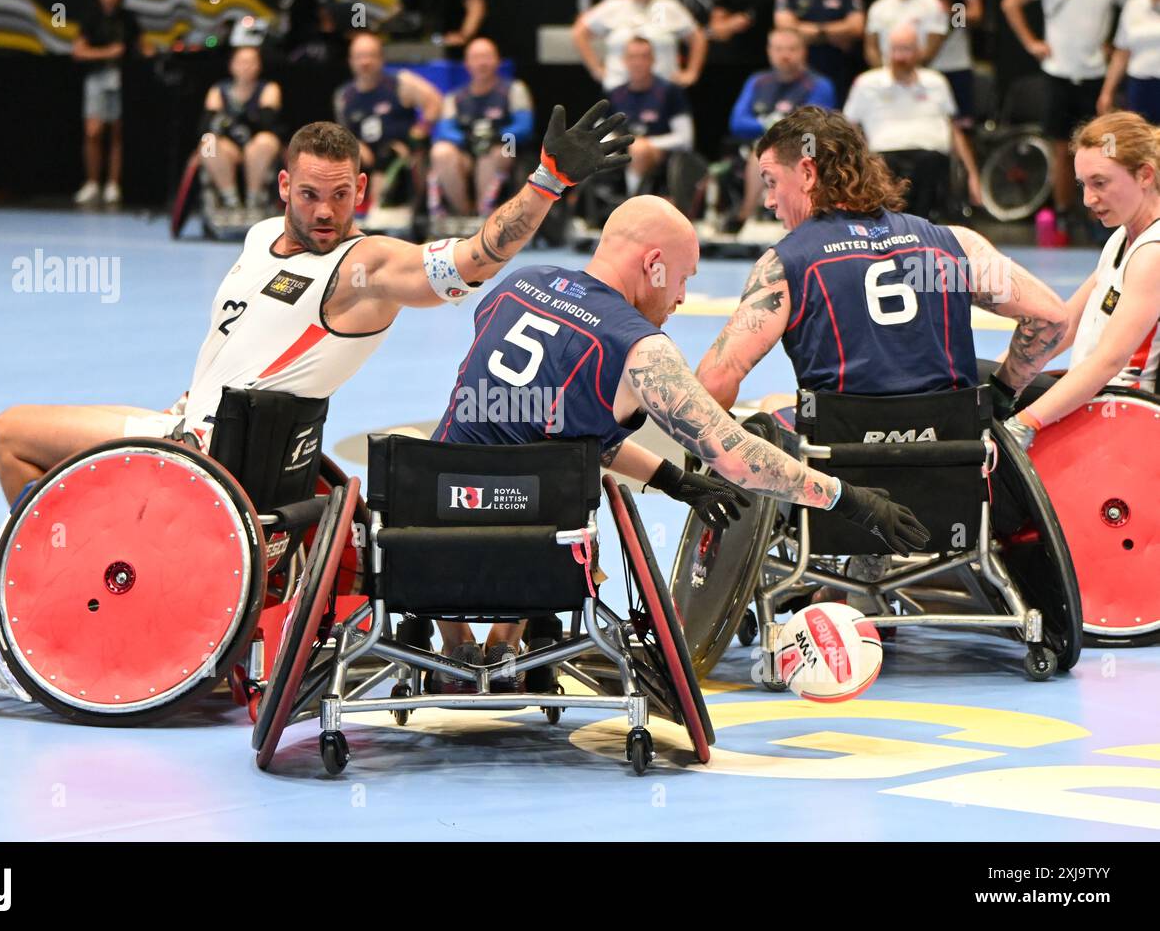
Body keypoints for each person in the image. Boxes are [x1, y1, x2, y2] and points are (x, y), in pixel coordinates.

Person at [0, 103, 632, 506]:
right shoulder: (261, 234)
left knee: (10, 433)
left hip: (206, 455)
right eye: (312, 195)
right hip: (189, 423)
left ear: (363, 190)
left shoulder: (363, 267)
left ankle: (67, 571)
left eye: (343, 195)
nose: (326, 212)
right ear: (284, 186)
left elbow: (474, 260)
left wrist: (547, 181)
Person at [426, 194, 930, 687]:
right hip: (538, 553)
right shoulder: (639, 346)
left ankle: (456, 646)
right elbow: (736, 456)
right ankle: (505, 644)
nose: (683, 296)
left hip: (432, 535)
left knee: (499, 465)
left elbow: (551, 429)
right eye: (684, 276)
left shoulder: (517, 286)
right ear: (653, 264)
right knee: (556, 497)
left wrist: (673, 479)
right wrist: (846, 499)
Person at [694, 106, 1068, 615]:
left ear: (806, 172)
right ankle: (862, 582)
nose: (767, 200)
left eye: (770, 181)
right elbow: (1050, 318)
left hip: (841, 487)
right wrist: (1002, 393)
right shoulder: (953, 245)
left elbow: (714, 381)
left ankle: (843, 581)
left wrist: (709, 469)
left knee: (771, 418)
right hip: (949, 469)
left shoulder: (787, 263)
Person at [997, 112, 1160, 450]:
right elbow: (1065, 325)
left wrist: (1026, 422)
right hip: (1098, 396)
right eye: (1083, 185)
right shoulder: (1122, 237)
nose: (1088, 199)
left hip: (1123, 411)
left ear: (1145, 175)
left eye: (1100, 183)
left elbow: (1109, 362)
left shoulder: (1152, 254)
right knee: (981, 382)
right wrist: (998, 373)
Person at [1002, 0, 1133, 244]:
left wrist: (1117, 44)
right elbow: (1010, 2)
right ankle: (1064, 214)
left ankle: (1100, 217)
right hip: (1058, 75)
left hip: (1096, 76)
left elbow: (1136, 4)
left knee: (1104, 153)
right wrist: (1031, 43)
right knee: (1062, 150)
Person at [843, 23, 982, 217]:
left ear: (919, 51)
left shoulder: (937, 82)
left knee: (931, 166)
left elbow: (954, 131)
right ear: (886, 52)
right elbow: (849, 130)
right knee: (881, 170)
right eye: (896, 49)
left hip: (931, 159)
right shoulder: (867, 83)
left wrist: (973, 176)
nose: (900, 57)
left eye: (906, 49)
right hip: (884, 157)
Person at [726, 27, 836, 231]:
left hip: (808, 145)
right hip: (761, 144)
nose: (784, 55)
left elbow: (813, 126)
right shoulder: (757, 81)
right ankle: (748, 214)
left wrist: (776, 126)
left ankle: (749, 215)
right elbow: (737, 122)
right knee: (760, 152)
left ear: (803, 51)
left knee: (793, 152)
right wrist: (767, 124)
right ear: (769, 51)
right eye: (778, 49)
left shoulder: (819, 85)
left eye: (791, 49)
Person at [333, 32, 442, 210]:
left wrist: (420, 130)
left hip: (401, 152)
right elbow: (343, 132)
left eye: (370, 56)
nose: (365, 62)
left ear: (381, 58)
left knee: (388, 155)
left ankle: (379, 212)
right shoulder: (344, 96)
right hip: (366, 153)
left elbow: (435, 102)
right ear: (350, 61)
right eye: (359, 57)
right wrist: (355, 146)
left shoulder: (401, 83)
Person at [428, 37, 534, 218]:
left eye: (487, 57)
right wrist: (465, 138)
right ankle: (462, 214)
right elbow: (444, 130)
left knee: (497, 153)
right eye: (476, 58)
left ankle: (484, 214)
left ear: (498, 60)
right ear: (467, 63)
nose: (482, 63)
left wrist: (497, 135)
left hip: (504, 145)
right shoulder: (455, 97)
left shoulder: (514, 90)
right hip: (467, 149)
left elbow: (525, 126)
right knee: (441, 152)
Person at [72, 0, 143, 207]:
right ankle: (92, 183)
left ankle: (113, 184)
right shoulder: (91, 18)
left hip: (123, 79)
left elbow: (143, 47)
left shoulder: (129, 19)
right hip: (96, 78)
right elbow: (79, 52)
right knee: (93, 131)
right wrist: (108, 52)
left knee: (117, 133)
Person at [573, 0, 707, 91]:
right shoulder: (612, 6)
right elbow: (579, 32)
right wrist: (596, 69)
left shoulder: (668, 6)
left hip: (664, 91)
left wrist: (692, 72)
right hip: (618, 90)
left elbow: (698, 36)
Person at [604, 35, 695, 203]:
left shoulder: (669, 92)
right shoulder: (615, 94)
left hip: (660, 153)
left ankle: (631, 204)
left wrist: (647, 143)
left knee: (639, 149)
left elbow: (685, 138)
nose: (638, 62)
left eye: (644, 57)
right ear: (624, 61)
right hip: (623, 150)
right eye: (632, 57)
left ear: (653, 60)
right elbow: (601, 131)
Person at [198, 46, 284, 214]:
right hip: (229, 150)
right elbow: (205, 126)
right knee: (208, 142)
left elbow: (267, 123)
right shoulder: (219, 90)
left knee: (265, 140)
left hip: (257, 148)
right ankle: (231, 200)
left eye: (251, 62)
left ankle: (254, 200)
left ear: (259, 66)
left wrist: (229, 122)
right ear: (231, 65)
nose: (246, 66)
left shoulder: (268, 89)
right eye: (242, 62)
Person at [773, 0, 865, 99]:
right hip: (801, 67)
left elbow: (856, 27)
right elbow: (784, 26)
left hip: (840, 65)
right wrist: (835, 32)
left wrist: (817, 31)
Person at [924, 0, 984, 127]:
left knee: (962, 125)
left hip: (956, 64)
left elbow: (976, 15)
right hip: (922, 66)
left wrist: (951, 12)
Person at [1099, 0, 1160, 123]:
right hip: (1139, 85)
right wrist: (1107, 92)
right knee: (1140, 137)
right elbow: (1122, 52)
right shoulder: (1133, 4)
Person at [864, 0, 948, 71]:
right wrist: (885, 72)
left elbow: (933, 44)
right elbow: (871, 47)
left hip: (922, 72)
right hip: (885, 73)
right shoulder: (878, 7)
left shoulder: (932, 3)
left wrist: (908, 68)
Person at [397, 0, 486, 58]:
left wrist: (463, 35)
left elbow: (476, 6)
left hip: (465, 53)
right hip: (435, 49)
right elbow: (398, 8)